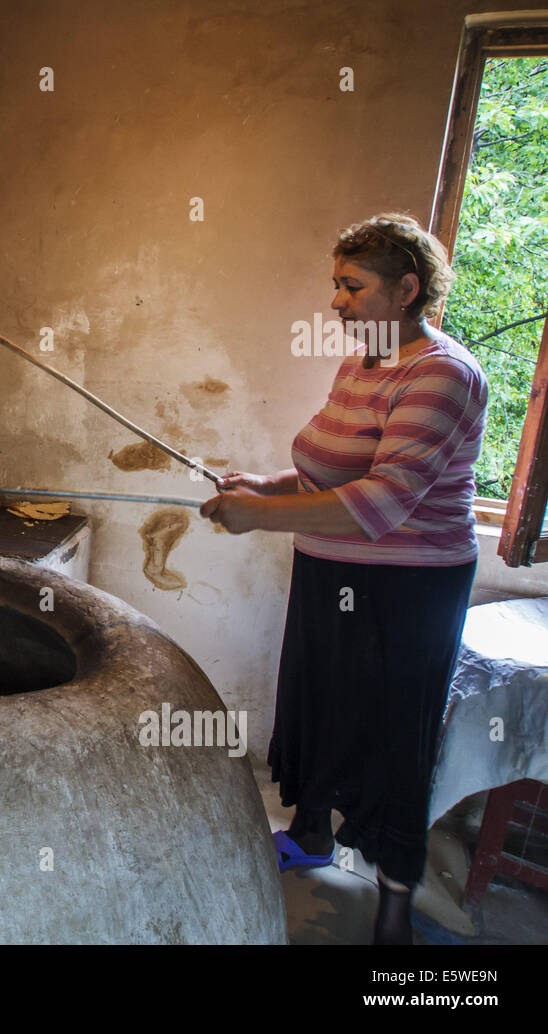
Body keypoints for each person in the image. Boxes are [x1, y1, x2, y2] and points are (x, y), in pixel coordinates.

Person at [200, 213, 488, 945]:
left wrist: (256, 519)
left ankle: (393, 910)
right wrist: (265, 487)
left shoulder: (441, 376)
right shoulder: (364, 364)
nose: (337, 302)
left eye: (353, 286)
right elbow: (327, 468)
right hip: (332, 573)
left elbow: (381, 503)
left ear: (408, 289)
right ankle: (315, 838)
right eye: (337, 284)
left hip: (406, 595)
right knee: (322, 709)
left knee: (392, 740)